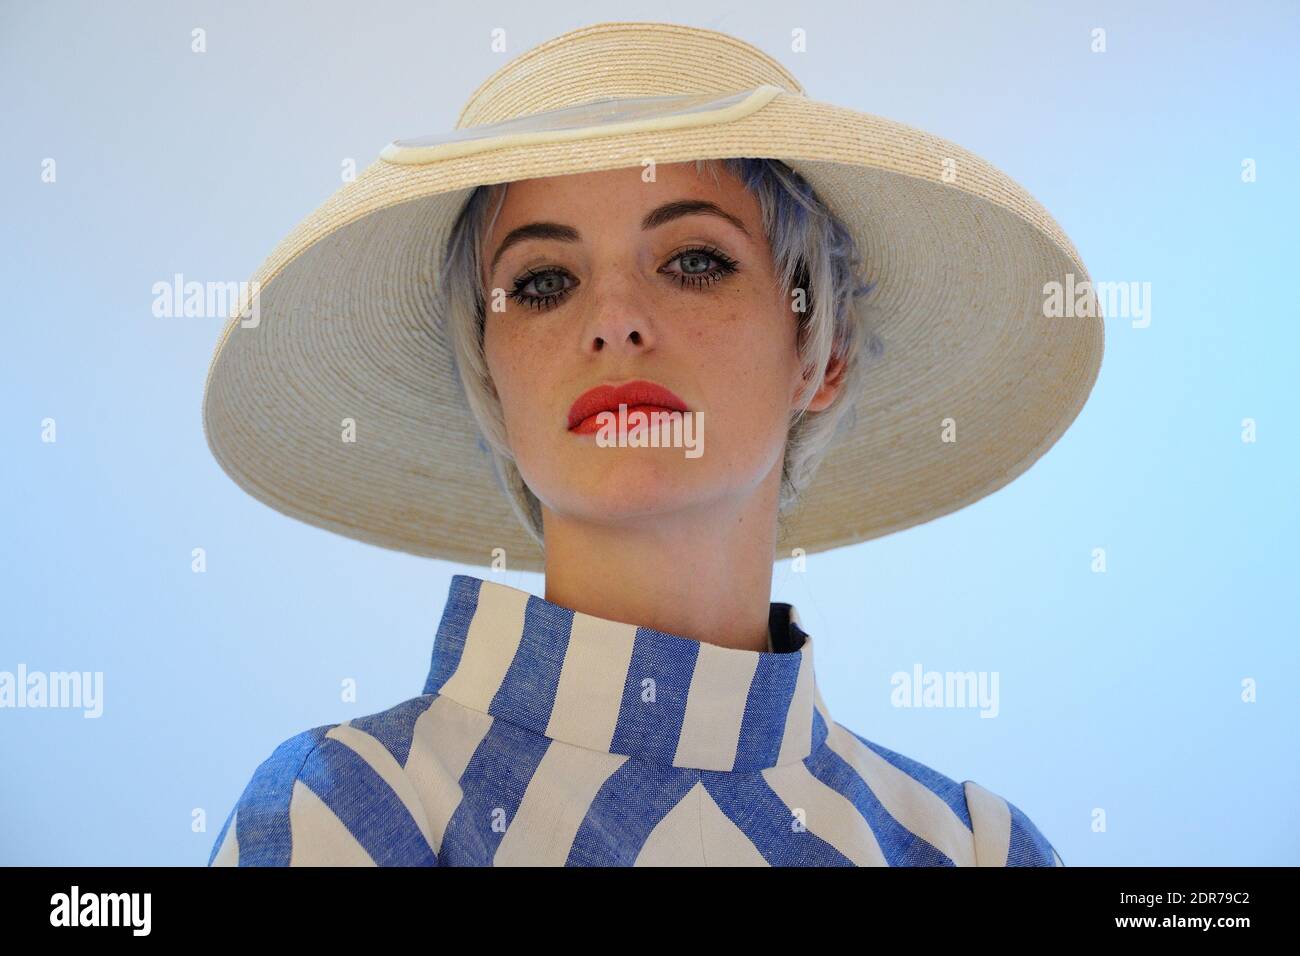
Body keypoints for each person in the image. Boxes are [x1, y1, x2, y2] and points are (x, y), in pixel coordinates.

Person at [204, 21, 1100, 866]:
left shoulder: (970, 849)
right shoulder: (346, 811)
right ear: (493, 377)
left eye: (695, 261)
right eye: (545, 281)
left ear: (821, 354)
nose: (616, 323)